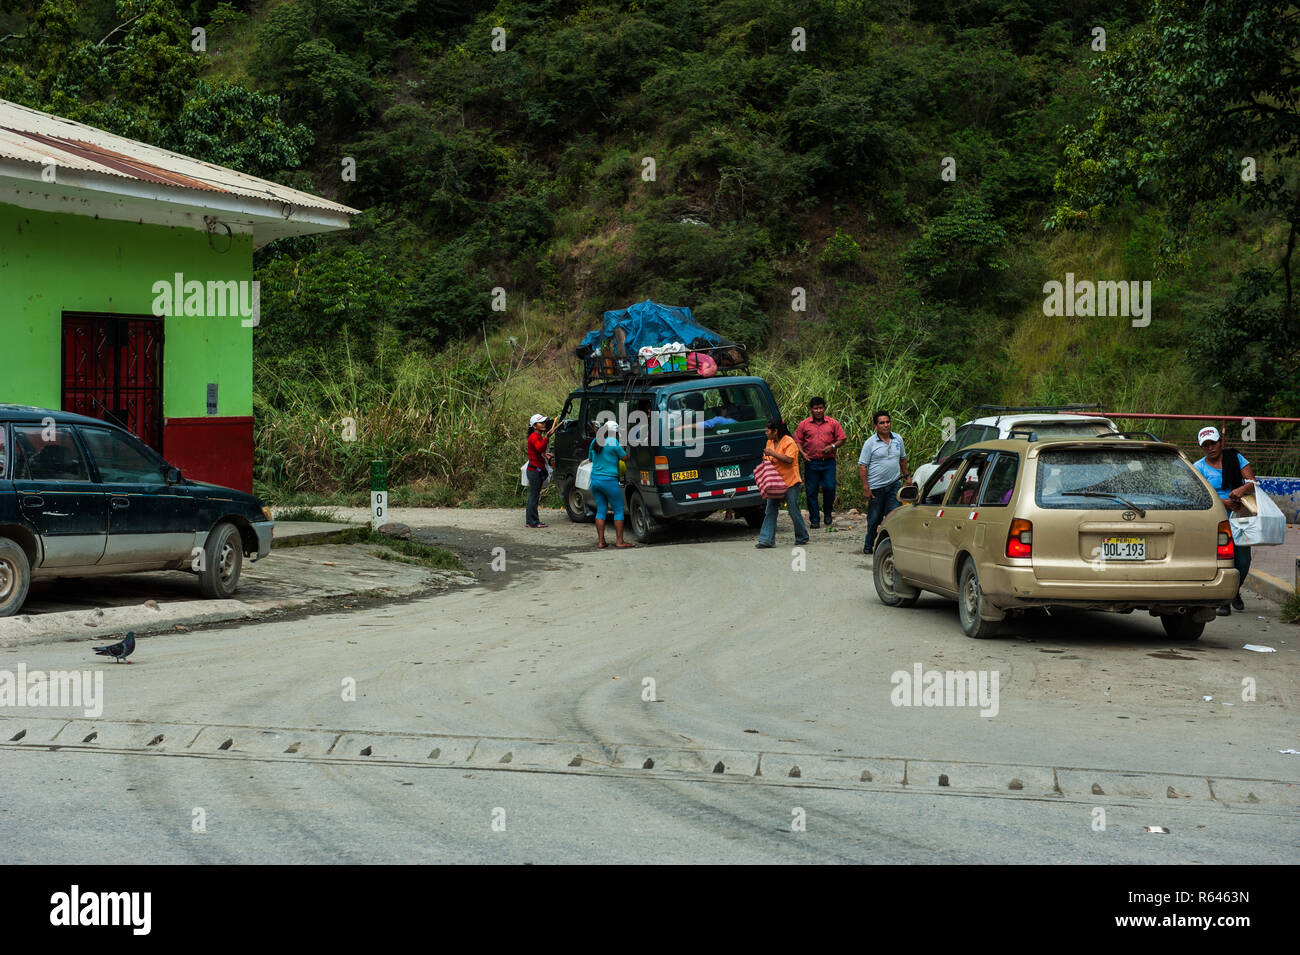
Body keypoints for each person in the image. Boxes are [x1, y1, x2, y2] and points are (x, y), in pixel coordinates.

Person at [1192, 426, 1257, 615]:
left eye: (1213, 443)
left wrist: (1241, 490)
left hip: (1239, 515)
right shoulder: (1198, 467)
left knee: (1243, 559)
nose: (1210, 448)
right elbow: (1199, 495)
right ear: (1202, 448)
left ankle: (1234, 591)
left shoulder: (1235, 458)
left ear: (1220, 443)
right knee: (1222, 558)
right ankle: (1224, 600)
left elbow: (1252, 483)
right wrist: (1224, 502)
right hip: (1215, 516)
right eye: (1205, 445)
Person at [858, 410, 911, 556]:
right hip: (876, 488)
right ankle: (869, 544)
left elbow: (902, 459)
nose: (886, 425)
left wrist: (907, 477)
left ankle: (892, 547)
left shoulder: (898, 439)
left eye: (888, 422)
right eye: (882, 423)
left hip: (894, 485)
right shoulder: (870, 443)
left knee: (893, 518)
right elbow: (863, 466)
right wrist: (866, 488)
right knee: (874, 519)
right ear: (875, 426)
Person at [793, 397, 847, 529]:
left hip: (828, 462)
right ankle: (814, 520)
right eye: (815, 408)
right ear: (811, 409)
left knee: (830, 487)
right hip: (811, 462)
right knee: (811, 491)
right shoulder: (804, 424)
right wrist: (802, 453)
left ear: (824, 408)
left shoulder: (833, 423)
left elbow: (842, 439)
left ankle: (828, 512)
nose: (818, 411)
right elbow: (797, 440)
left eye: (821, 408)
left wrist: (832, 446)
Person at [756, 419, 811, 549]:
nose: (765, 433)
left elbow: (789, 459)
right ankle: (766, 540)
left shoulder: (789, 442)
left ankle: (802, 536)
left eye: (767, 431)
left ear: (775, 431)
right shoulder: (770, 442)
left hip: (790, 482)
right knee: (770, 509)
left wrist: (772, 453)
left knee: (793, 510)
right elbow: (767, 459)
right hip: (775, 482)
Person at [589, 420, 632, 549]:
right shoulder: (613, 442)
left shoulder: (595, 441)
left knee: (601, 510)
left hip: (595, 480)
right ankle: (619, 542)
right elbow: (624, 457)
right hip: (609, 481)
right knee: (618, 510)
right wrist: (622, 447)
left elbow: (591, 459)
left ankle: (601, 542)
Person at [524, 413, 554, 528]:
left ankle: (530, 521)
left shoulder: (537, 436)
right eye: (541, 423)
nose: (544, 424)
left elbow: (539, 451)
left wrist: (545, 455)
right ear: (534, 426)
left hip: (535, 470)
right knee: (534, 496)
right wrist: (547, 437)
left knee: (534, 496)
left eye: (543, 422)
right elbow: (540, 447)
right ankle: (534, 522)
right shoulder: (534, 437)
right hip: (534, 471)